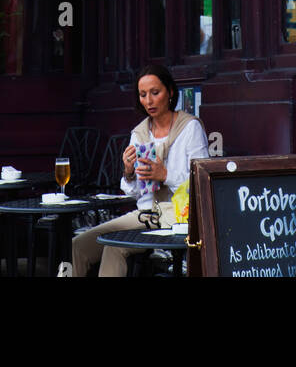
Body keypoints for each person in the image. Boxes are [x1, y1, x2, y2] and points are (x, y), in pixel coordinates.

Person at [70, 64, 207, 277]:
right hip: (146, 215)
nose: (149, 101)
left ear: (170, 92)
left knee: (114, 247)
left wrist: (166, 176)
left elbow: (203, 182)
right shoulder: (140, 133)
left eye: (155, 92)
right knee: (79, 245)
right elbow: (132, 192)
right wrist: (128, 172)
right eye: (143, 95)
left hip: (178, 217)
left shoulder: (190, 128)